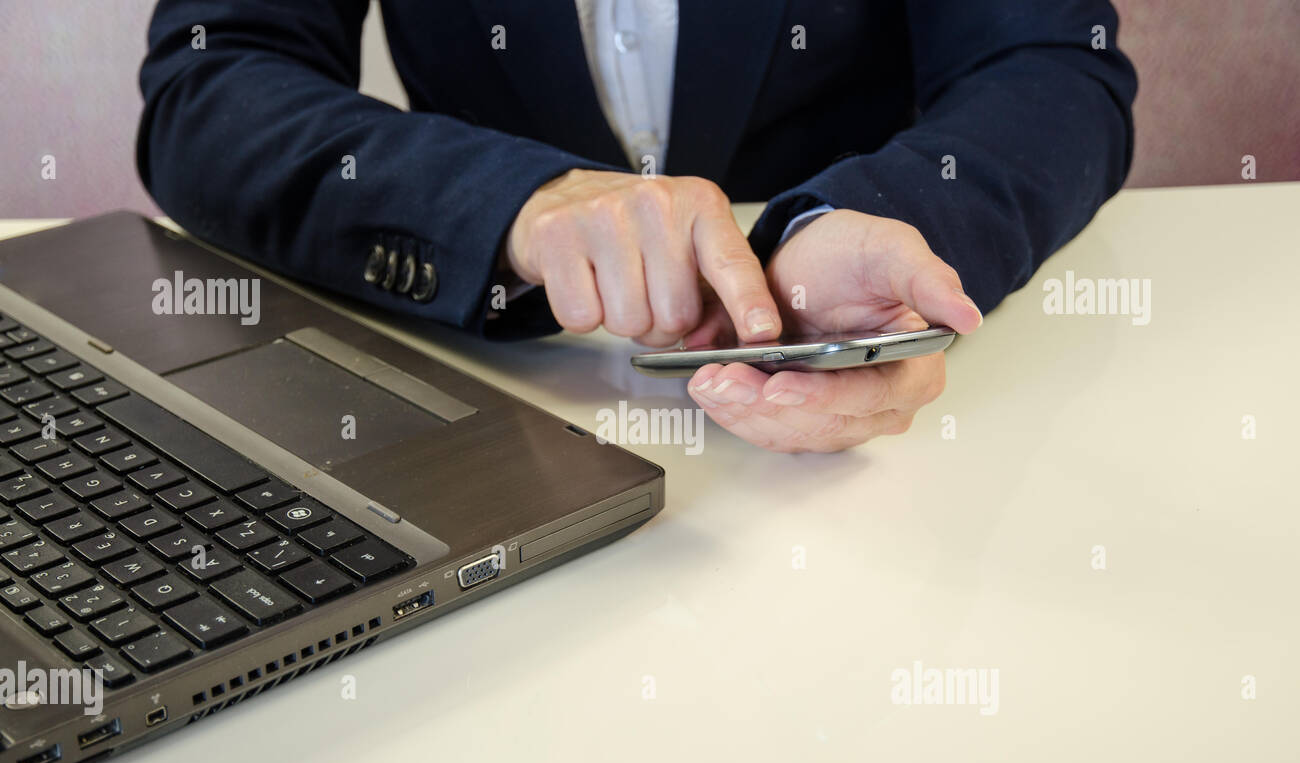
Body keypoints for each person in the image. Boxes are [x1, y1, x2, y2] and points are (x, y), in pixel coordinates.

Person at [137, 0, 1136, 453]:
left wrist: (870, 219)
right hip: (505, 415)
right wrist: (513, 201)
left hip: (889, 452)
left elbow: (1048, 66)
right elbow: (212, 80)